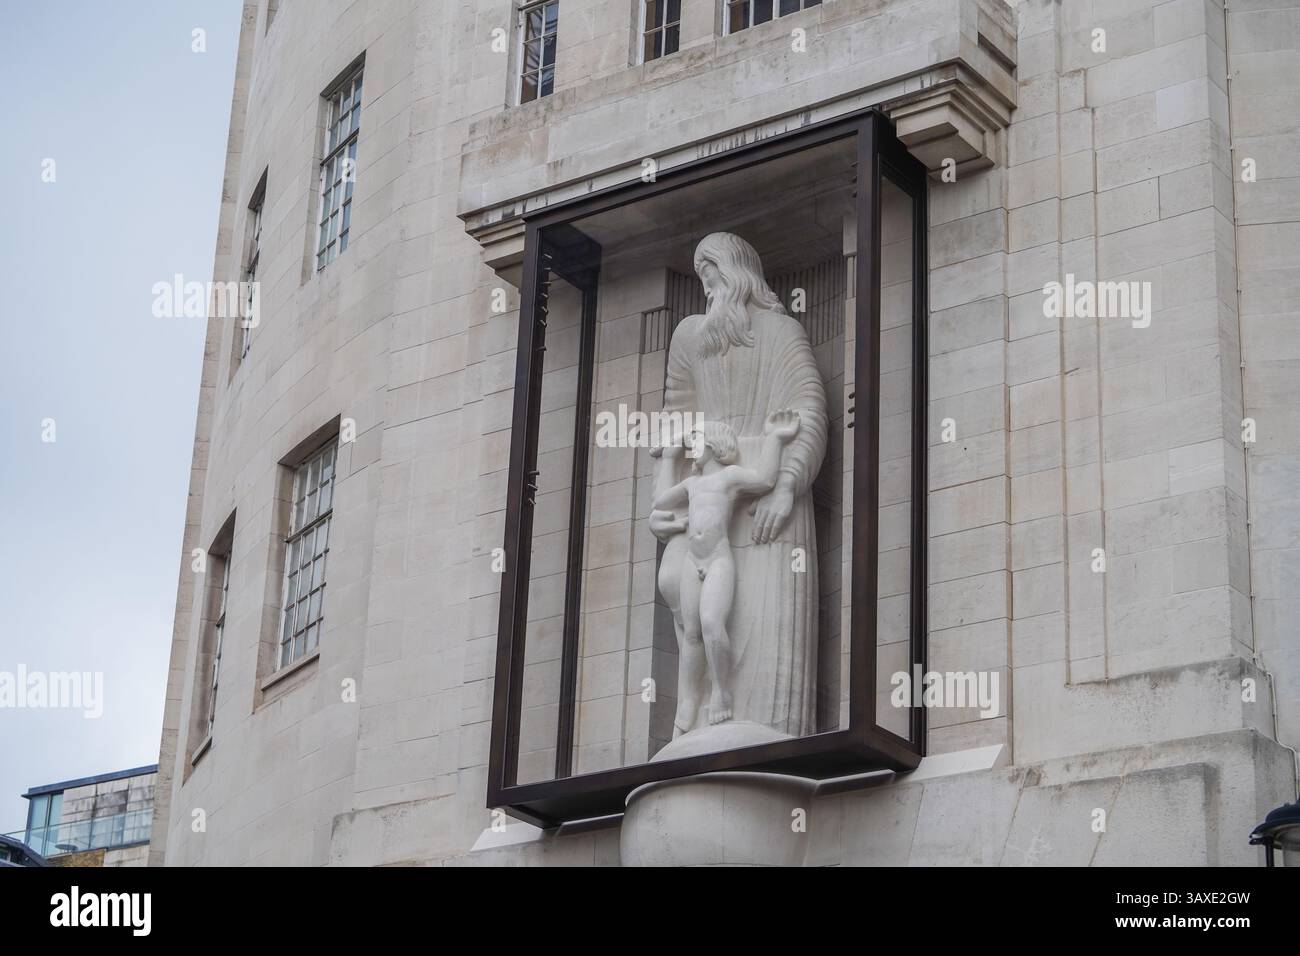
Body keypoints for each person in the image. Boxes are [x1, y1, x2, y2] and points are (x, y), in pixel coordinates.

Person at [652, 410, 801, 728]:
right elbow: (662, 501)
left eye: (696, 443)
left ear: (713, 444)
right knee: (692, 634)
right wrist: (668, 457)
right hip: (693, 561)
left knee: (711, 624)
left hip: (718, 560)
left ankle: (721, 691)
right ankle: (690, 698)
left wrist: (775, 438)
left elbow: (765, 479)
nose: (693, 451)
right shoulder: (692, 483)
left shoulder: (729, 478)